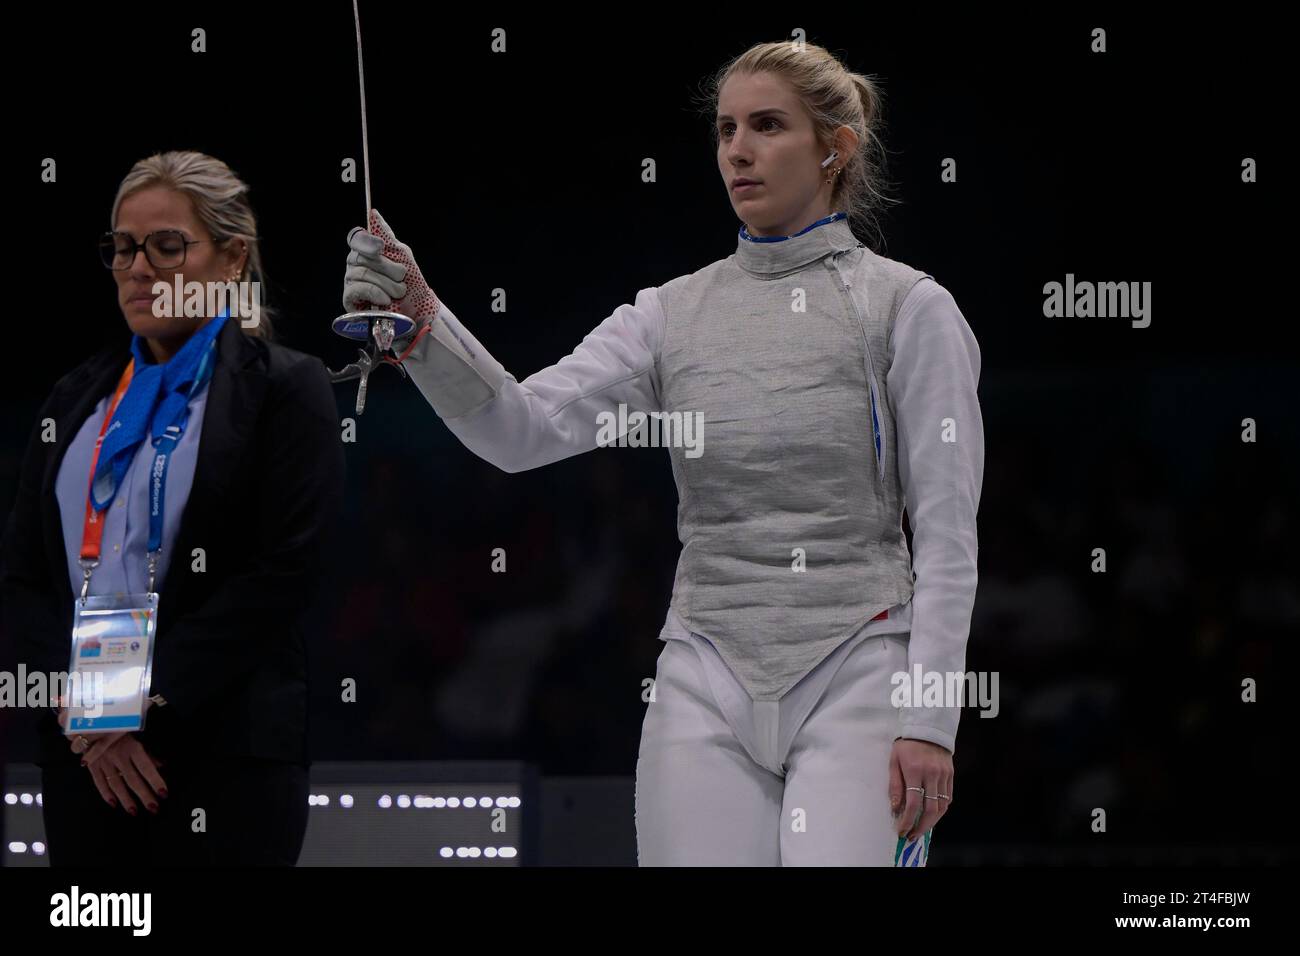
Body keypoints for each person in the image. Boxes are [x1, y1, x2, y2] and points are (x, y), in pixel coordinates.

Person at [341, 41, 982, 865]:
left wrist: (930, 722)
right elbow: (520, 431)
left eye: (767, 126)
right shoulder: (668, 315)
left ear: (835, 147)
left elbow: (947, 534)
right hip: (704, 670)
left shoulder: (909, 309)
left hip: (862, 663)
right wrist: (421, 324)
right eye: (725, 130)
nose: (737, 150)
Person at [0, 150, 345, 865]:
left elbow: (285, 572)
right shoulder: (75, 397)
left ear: (231, 259)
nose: (137, 267)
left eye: (166, 246)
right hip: (84, 756)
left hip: (226, 750)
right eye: (122, 248)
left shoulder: (286, 388)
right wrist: (87, 714)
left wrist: (134, 707)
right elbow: (24, 577)